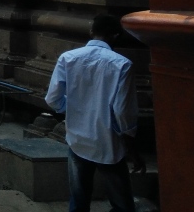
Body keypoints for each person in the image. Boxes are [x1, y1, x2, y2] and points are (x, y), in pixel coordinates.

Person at [46, 15, 145, 212]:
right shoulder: (122, 65)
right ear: (115, 36)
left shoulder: (68, 58)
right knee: (122, 204)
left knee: (79, 200)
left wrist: (73, 109)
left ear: (91, 31)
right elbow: (123, 112)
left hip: (77, 140)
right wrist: (132, 148)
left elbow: (52, 99)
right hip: (108, 142)